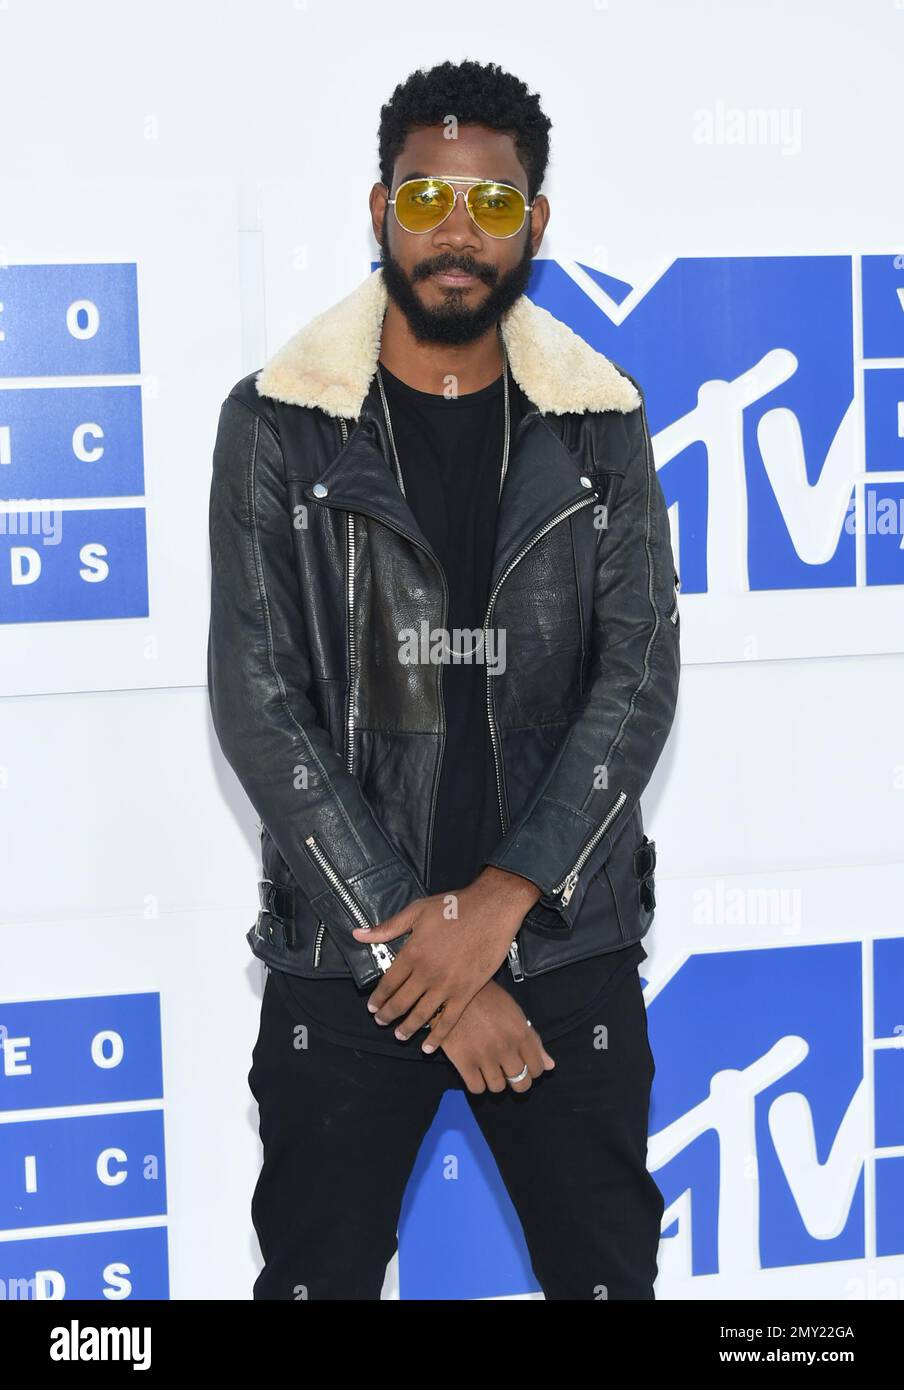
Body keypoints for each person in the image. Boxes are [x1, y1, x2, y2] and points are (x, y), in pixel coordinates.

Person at [207, 58, 680, 1300]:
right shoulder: (274, 422)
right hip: (345, 960)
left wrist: (501, 902)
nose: (457, 233)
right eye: (425, 202)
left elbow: (635, 677)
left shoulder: (603, 422)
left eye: (491, 203)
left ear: (535, 222)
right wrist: (421, 960)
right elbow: (260, 699)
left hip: (563, 949)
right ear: (378, 212)